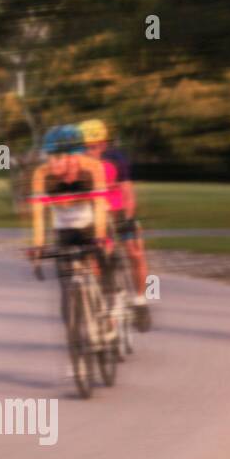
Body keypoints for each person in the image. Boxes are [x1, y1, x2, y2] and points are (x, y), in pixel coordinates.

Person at [27, 124, 115, 353]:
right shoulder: (41, 174)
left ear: (74, 156)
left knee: (98, 263)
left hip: (89, 223)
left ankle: (106, 312)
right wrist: (37, 247)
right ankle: (74, 342)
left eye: (59, 157)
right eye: (50, 156)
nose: (52, 162)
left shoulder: (93, 168)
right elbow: (38, 215)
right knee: (67, 287)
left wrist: (100, 238)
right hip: (63, 228)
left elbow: (99, 206)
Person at [79, 119, 151, 331]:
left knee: (135, 252)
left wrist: (128, 219)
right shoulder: (78, 162)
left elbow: (128, 193)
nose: (89, 151)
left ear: (103, 144)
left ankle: (140, 301)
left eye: (93, 146)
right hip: (96, 216)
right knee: (98, 259)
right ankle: (108, 308)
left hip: (119, 210)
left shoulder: (116, 159)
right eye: (84, 146)